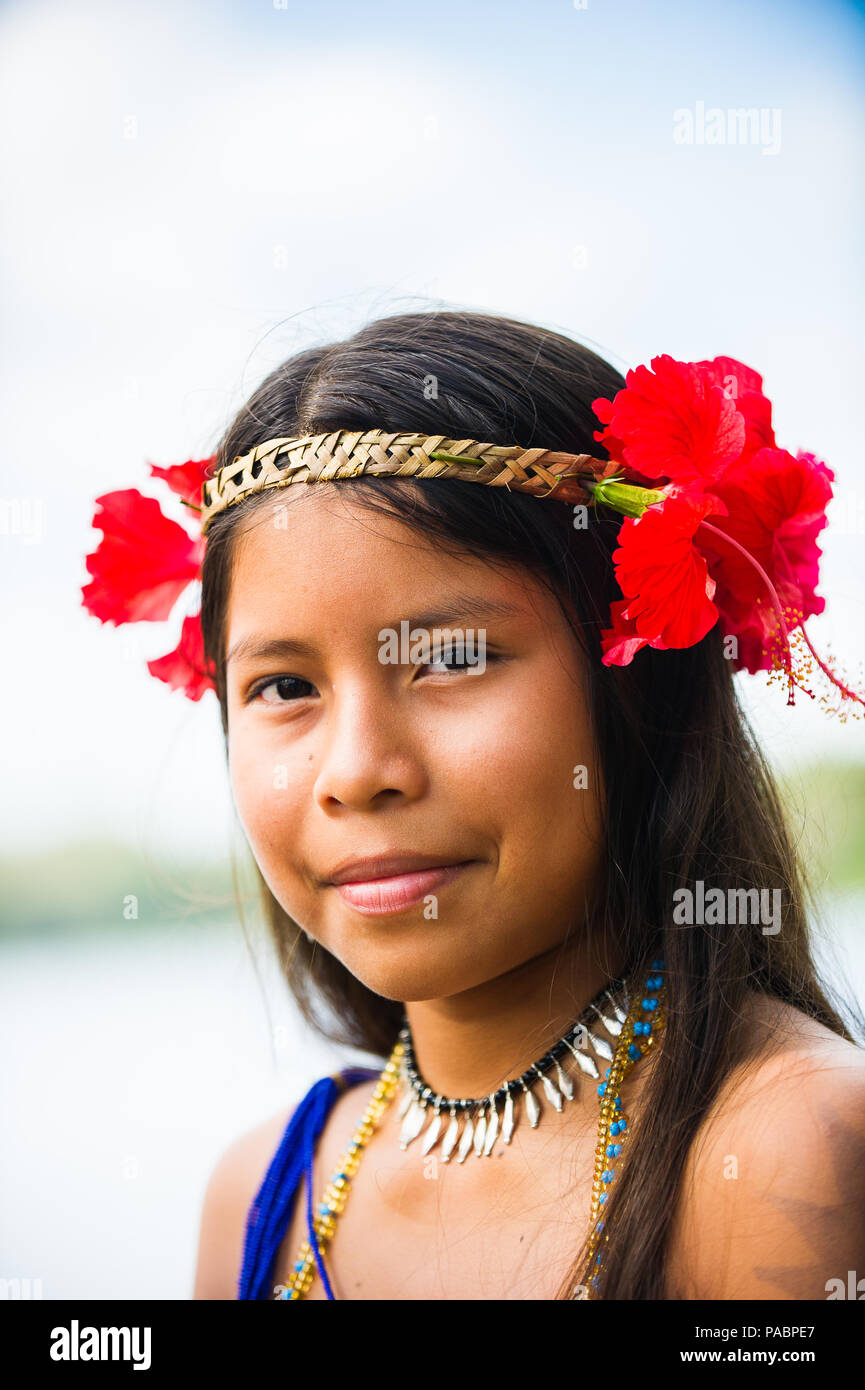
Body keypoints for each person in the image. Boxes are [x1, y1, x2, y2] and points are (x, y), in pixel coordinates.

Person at [83, 309, 865, 1300]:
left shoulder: (786, 1153)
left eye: (451, 658)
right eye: (284, 686)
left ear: (637, 680)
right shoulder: (258, 1198)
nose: (357, 770)